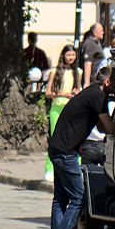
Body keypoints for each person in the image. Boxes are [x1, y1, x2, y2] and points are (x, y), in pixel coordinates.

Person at [47, 67, 115, 229]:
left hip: (57, 148)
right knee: (78, 196)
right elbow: (108, 127)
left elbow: (102, 127)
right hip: (66, 152)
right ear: (108, 82)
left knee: (60, 198)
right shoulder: (97, 96)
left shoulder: (92, 93)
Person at [42, 43, 82, 181]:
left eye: (73, 55)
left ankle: (75, 167)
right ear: (63, 56)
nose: (71, 57)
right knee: (55, 139)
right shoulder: (55, 72)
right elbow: (48, 93)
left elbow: (79, 90)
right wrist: (62, 94)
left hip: (71, 110)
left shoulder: (78, 72)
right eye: (68, 55)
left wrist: (77, 93)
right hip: (57, 108)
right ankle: (50, 168)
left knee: (73, 139)